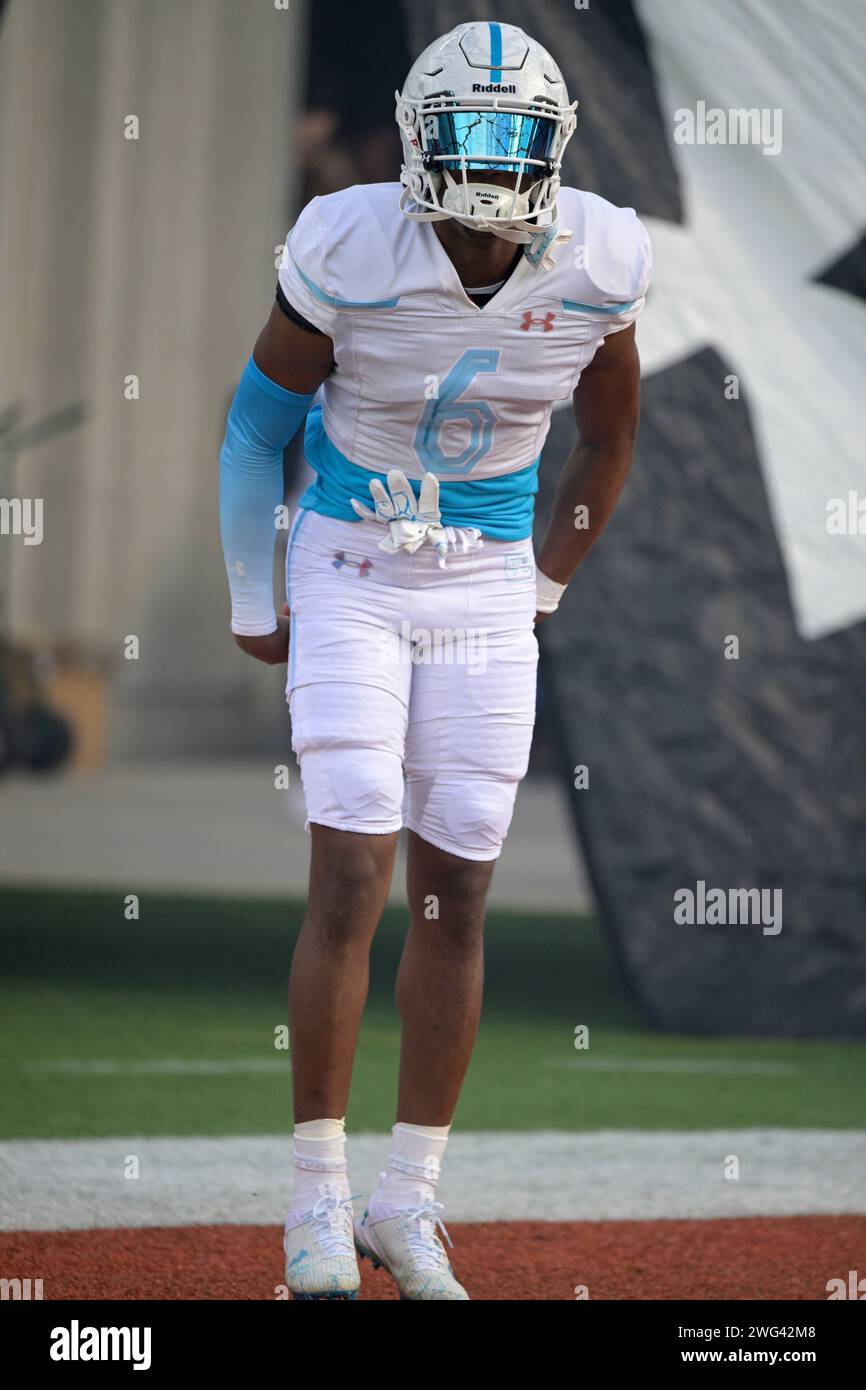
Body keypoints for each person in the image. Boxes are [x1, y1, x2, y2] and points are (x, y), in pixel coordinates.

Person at [219, 20, 651, 1301]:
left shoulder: (599, 256)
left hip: (479, 584)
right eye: (467, 129)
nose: (491, 159)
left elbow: (609, 440)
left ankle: (407, 1204)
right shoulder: (349, 239)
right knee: (352, 868)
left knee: (453, 893)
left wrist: (537, 590)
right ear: (420, 137)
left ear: (553, 147)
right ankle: (315, 1202)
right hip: (350, 561)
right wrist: (257, 590)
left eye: (516, 135)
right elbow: (257, 430)